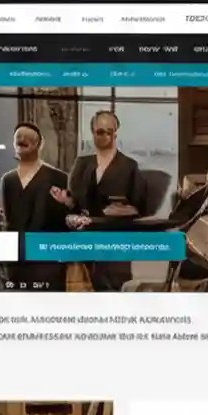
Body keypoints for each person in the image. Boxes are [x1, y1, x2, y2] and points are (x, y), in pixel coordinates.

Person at [52, 110, 149, 290]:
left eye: (109, 132)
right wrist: (65, 200)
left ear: (115, 133)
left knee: (113, 292)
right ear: (93, 133)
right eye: (100, 132)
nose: (105, 136)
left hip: (115, 238)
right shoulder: (82, 163)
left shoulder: (129, 166)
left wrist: (122, 210)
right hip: (84, 239)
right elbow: (74, 202)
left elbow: (140, 206)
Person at [0, 122, 71, 291]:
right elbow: (10, 222)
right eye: (18, 137)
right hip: (17, 261)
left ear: (39, 144)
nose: (22, 140)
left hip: (48, 263)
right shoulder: (8, 180)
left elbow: (68, 218)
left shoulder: (58, 178)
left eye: (28, 137)